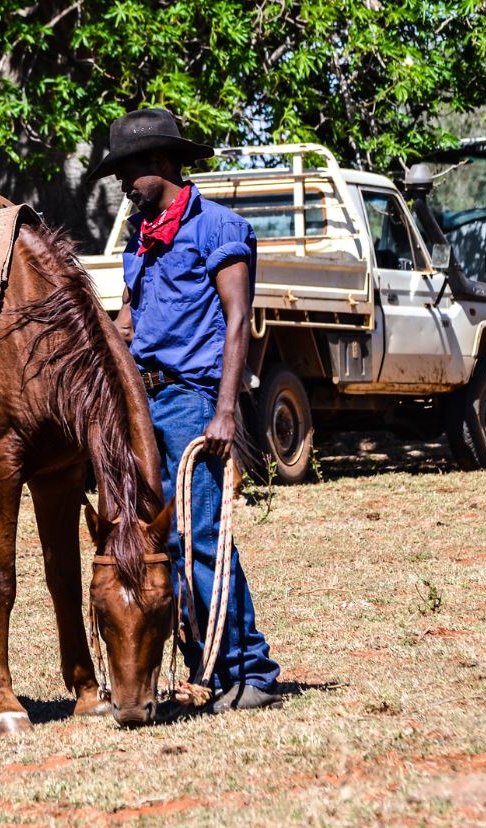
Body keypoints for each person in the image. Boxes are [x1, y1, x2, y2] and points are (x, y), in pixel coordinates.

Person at [88, 108, 281, 712]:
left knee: (202, 538)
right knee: (158, 542)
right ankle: (207, 664)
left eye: (129, 172)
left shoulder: (218, 228)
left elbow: (238, 321)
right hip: (143, 405)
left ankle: (253, 671)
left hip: (192, 401)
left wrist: (225, 411)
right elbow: (131, 322)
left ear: (161, 165)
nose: (123, 185)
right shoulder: (138, 243)